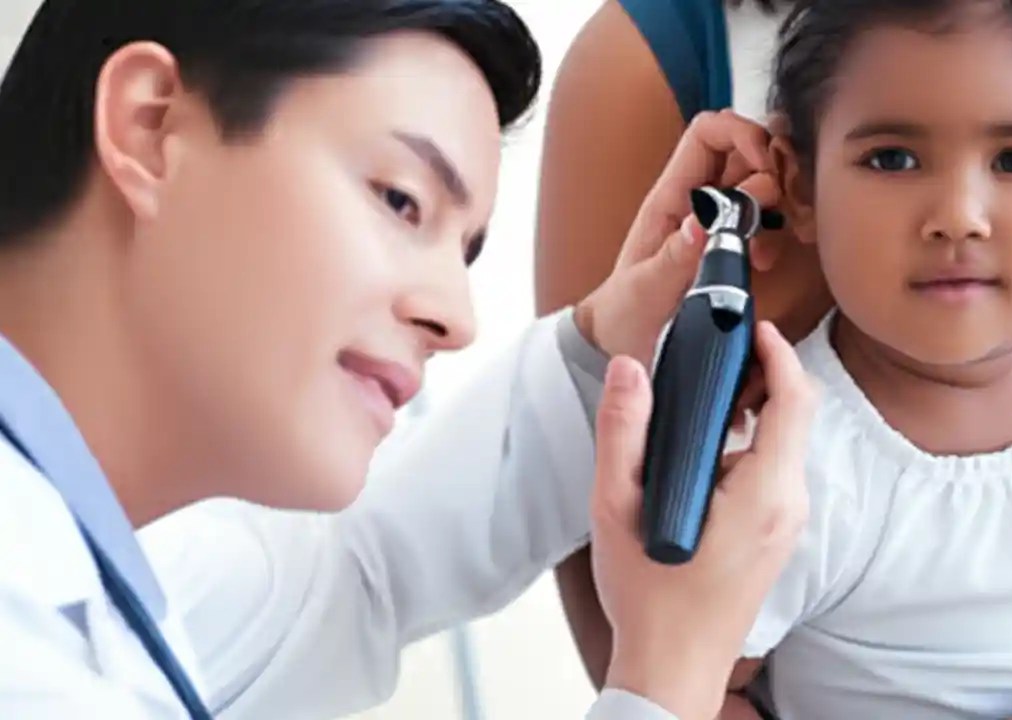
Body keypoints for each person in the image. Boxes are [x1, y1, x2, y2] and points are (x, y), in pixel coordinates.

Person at [0, 1, 819, 718]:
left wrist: (611, 343)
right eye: (401, 200)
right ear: (151, 128)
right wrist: (666, 680)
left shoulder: (92, 563)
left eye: (462, 254)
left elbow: (370, 571)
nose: (456, 319)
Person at [537, 0, 1012, 713]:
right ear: (799, 187)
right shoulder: (777, 464)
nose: (958, 214)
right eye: (892, 158)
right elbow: (692, 687)